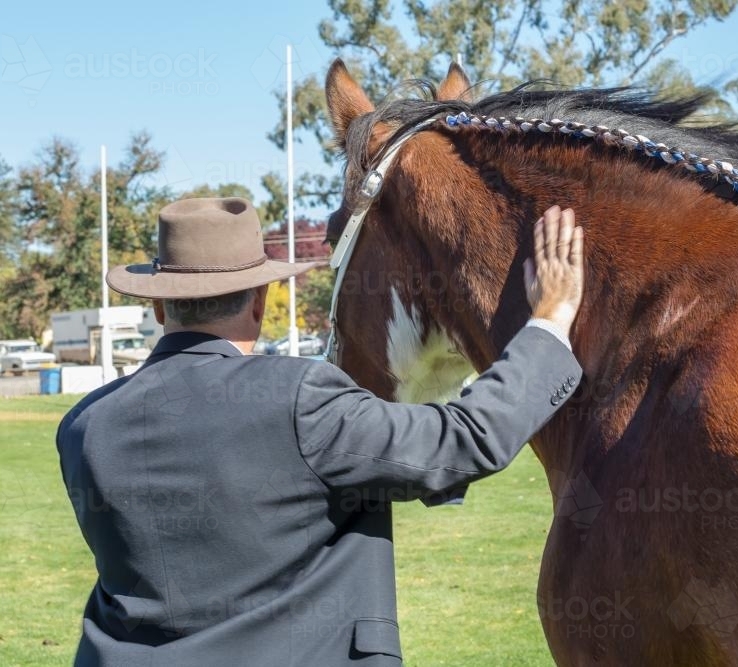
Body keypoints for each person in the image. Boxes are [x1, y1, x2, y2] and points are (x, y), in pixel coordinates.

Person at [56, 196, 585, 666]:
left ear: (157, 304)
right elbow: (465, 440)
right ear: (260, 303)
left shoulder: (83, 427)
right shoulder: (298, 401)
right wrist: (550, 320)